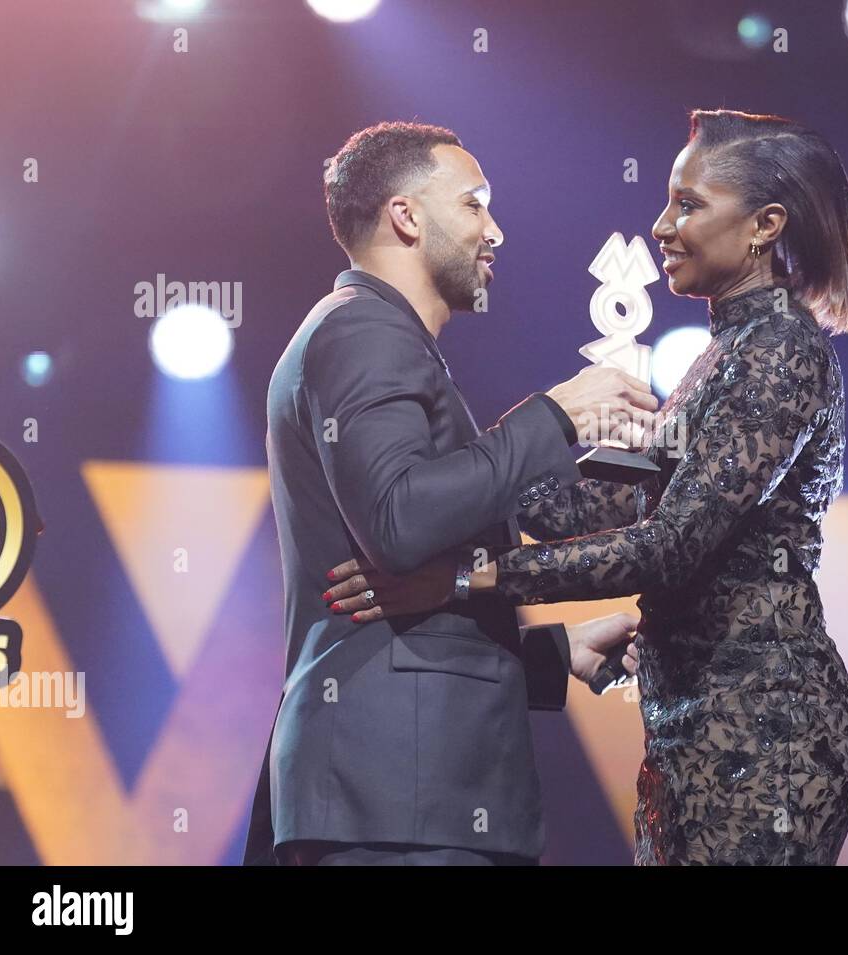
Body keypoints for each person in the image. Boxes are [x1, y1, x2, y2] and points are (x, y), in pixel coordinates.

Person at [325, 109, 848, 865]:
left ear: (765, 226)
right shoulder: (723, 354)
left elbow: (666, 547)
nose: (661, 225)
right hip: (692, 717)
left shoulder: (780, 349)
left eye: (689, 204)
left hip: (766, 725)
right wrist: (452, 478)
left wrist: (462, 580)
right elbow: (594, 508)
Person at [242, 120, 655, 866]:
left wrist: (551, 652)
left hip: (404, 797)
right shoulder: (364, 331)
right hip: (398, 802)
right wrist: (556, 413)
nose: (494, 230)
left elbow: (410, 601)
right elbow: (399, 522)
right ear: (406, 215)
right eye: (474, 204)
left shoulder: (375, 337)